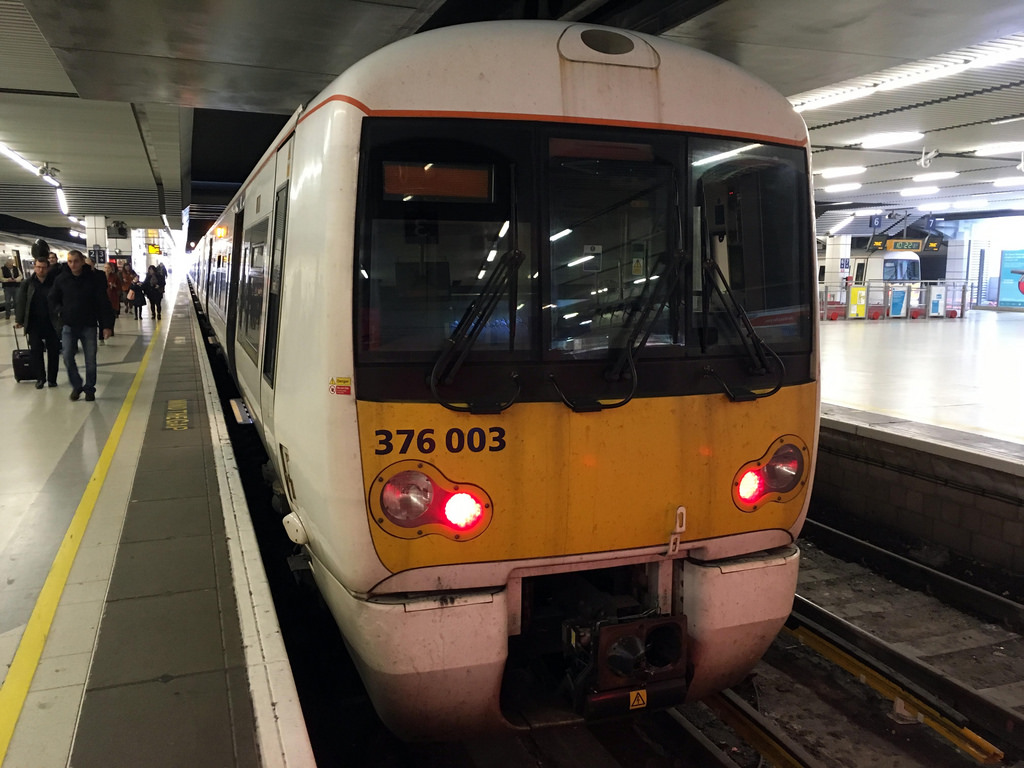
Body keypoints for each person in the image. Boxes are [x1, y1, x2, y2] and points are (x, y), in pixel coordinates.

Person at [48, 249, 114, 402]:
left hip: (89, 325)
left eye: (76, 261)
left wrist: (106, 326)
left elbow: (103, 303)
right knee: (67, 356)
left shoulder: (93, 279)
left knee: (90, 360)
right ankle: (77, 385)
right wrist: (60, 311)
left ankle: (89, 388)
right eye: (70, 261)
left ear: (82, 262)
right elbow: (52, 298)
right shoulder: (61, 279)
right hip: (69, 325)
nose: (73, 265)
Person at [14, 250, 61, 389]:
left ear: (48, 268)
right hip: (34, 323)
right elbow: (21, 302)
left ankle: (52, 379)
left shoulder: (54, 282)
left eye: (44, 267)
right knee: (36, 351)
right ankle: (40, 378)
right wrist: (19, 320)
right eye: (38, 267)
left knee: (54, 351)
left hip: (52, 322)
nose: (41, 270)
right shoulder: (28, 283)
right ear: (34, 267)